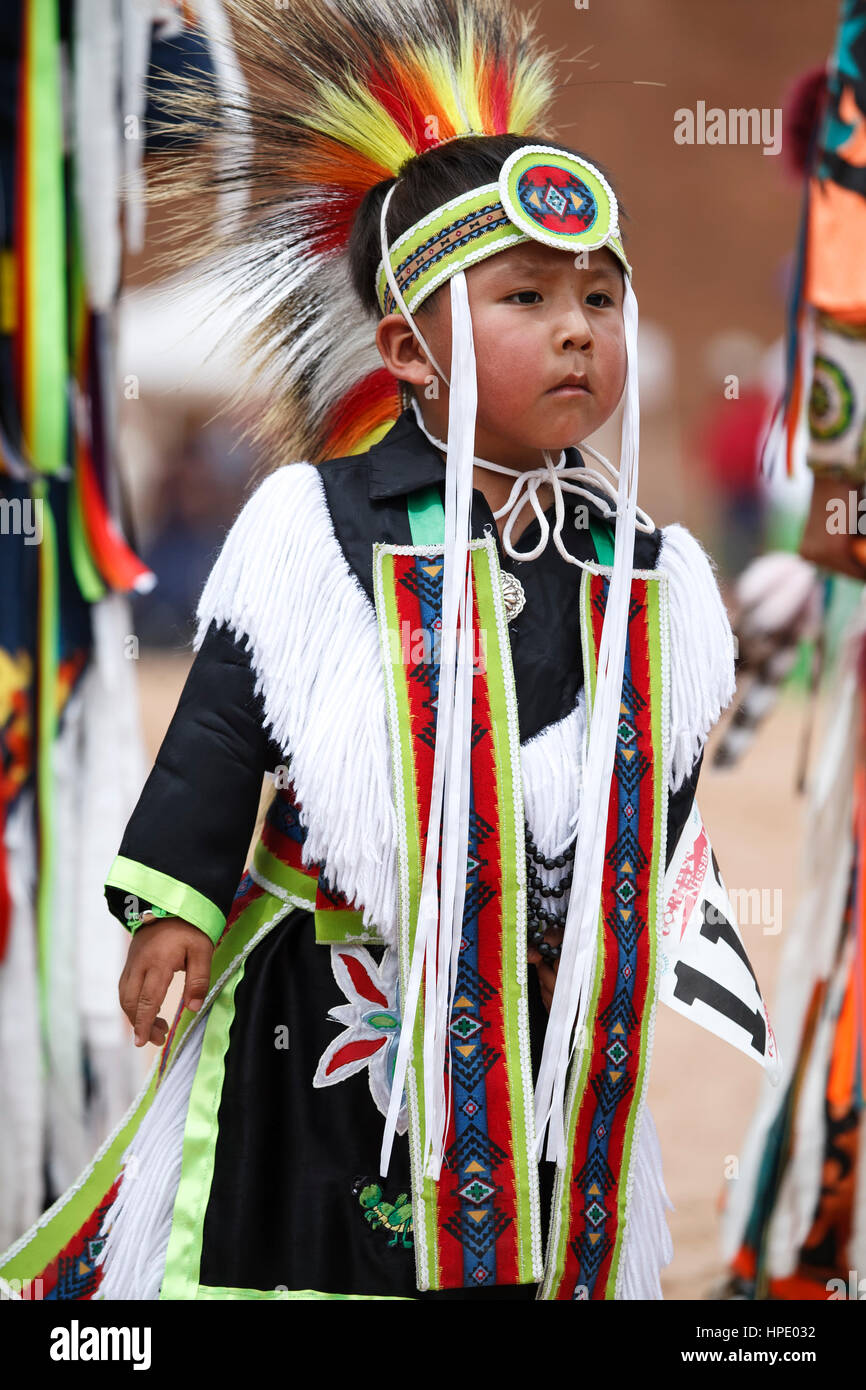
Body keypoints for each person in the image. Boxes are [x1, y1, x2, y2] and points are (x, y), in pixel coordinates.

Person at [0, 0, 763, 1302]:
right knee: (305, 1229)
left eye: (598, 296)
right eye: (525, 297)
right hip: (334, 988)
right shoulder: (317, 525)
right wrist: (173, 904)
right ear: (408, 350)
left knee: (521, 1236)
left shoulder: (645, 567)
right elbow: (225, 722)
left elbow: (661, 789)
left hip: (541, 1002)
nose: (578, 328)